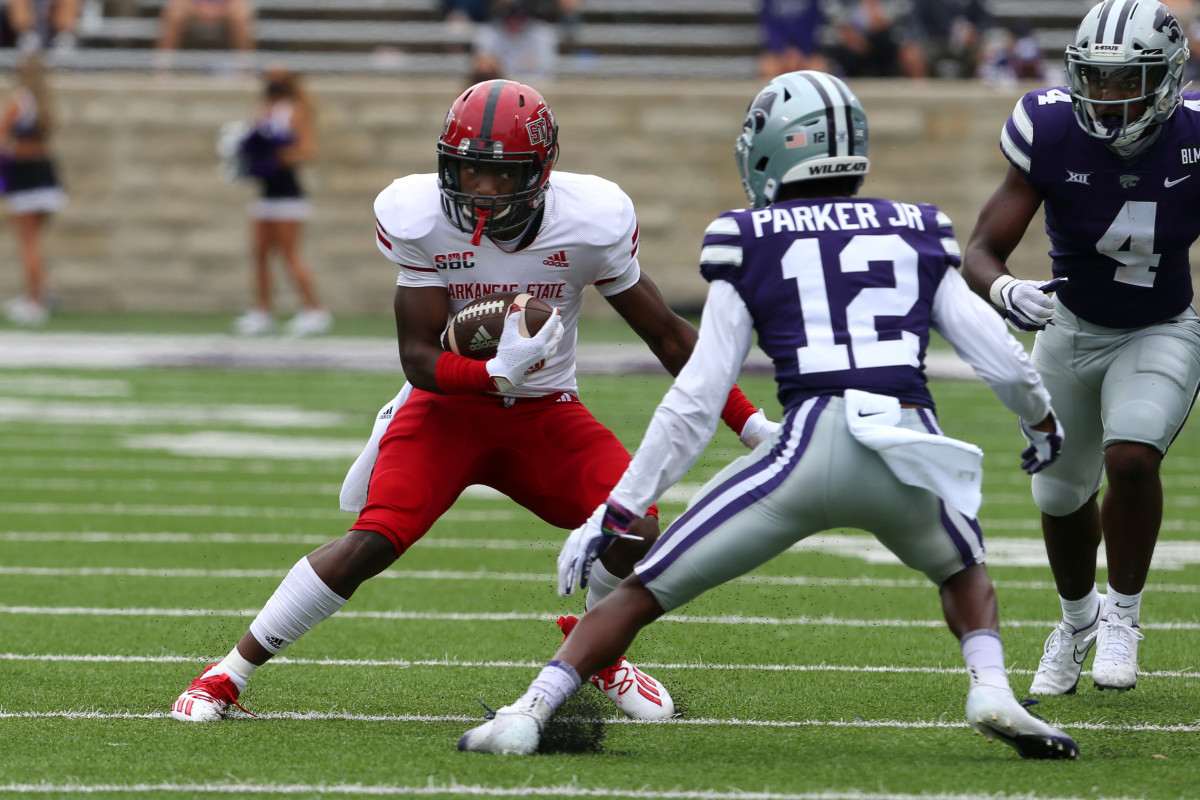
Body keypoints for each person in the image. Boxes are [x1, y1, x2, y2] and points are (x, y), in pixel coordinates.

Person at [458, 70, 1081, 760]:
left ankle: (529, 712)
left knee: (638, 593)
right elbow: (996, 352)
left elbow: (698, 395)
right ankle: (990, 687)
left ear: (774, 149)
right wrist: (1042, 422)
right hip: (908, 446)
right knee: (964, 572)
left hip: (808, 446)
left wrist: (623, 507)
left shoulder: (747, 236)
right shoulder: (918, 227)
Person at [169, 78, 778, 723]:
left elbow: (666, 334)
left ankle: (595, 649)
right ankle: (226, 675)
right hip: (445, 411)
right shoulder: (419, 215)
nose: (479, 190)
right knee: (372, 540)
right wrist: (493, 373)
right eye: (466, 171)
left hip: (547, 411)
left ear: (541, 171)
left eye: (499, 175)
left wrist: (748, 424)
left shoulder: (590, 221)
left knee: (636, 527)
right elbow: (418, 359)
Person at [962, 0, 1200, 696]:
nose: (1107, 96)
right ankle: (1077, 622)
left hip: (1159, 328)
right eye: (1095, 79)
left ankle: (1123, 618)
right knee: (1060, 492)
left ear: (1166, 79)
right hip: (1069, 330)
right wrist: (1006, 292)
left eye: (1127, 79)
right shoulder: (1050, 126)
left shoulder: (1192, 136)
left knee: (1130, 454)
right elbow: (981, 249)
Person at [230, 67, 331, 337]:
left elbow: (308, 149)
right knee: (260, 253)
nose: (271, 82)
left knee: (289, 253)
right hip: (265, 193)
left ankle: (314, 310)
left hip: (288, 193)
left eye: (277, 77)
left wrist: (275, 156)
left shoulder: (295, 109)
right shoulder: (264, 107)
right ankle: (262, 312)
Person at [1, 53, 65, 327]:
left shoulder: (20, 100)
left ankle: (35, 302)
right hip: (47, 172)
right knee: (36, 240)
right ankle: (41, 293)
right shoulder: (46, 101)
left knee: (28, 242)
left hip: (25, 174)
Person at [470, 0, 558, 84]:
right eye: (510, 17)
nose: (514, 22)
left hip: (536, 88)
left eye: (519, 17)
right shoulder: (488, 34)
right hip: (500, 88)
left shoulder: (542, 34)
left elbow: (546, 70)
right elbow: (484, 66)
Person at [757, 0, 830, 78]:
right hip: (778, 52)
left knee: (818, 71)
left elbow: (812, 24)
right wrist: (782, 49)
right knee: (769, 69)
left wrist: (802, 51)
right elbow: (770, 24)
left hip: (807, 51)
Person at [156, 0, 255, 53]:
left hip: (226, 10)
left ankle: (246, 68)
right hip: (192, 10)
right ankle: (163, 66)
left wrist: (216, 11)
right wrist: (201, 10)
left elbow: (239, 2)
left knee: (242, 15)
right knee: (174, 14)